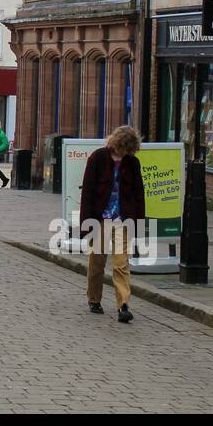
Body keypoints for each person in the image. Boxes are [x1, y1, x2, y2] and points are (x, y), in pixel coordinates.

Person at [79, 125, 146, 324]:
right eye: (122, 149)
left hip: (123, 219)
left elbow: (138, 193)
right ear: (116, 144)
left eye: (128, 150)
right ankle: (94, 299)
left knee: (121, 263)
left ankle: (123, 305)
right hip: (100, 218)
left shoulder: (132, 163)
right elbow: (88, 192)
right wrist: (86, 223)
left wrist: (139, 223)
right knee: (97, 261)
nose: (124, 153)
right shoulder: (98, 158)